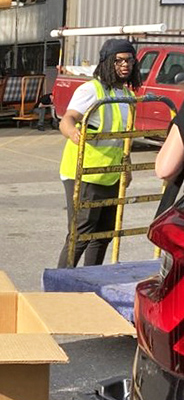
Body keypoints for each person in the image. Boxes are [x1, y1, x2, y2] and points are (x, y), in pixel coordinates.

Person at [57, 38, 140, 268]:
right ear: (106, 62)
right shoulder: (91, 90)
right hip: (84, 173)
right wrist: (73, 133)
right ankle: (60, 285)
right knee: (81, 232)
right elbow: (68, 118)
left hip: (111, 174)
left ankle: (91, 278)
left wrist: (127, 168)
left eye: (130, 60)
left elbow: (124, 139)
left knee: (104, 233)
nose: (126, 65)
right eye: (119, 60)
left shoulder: (127, 97)